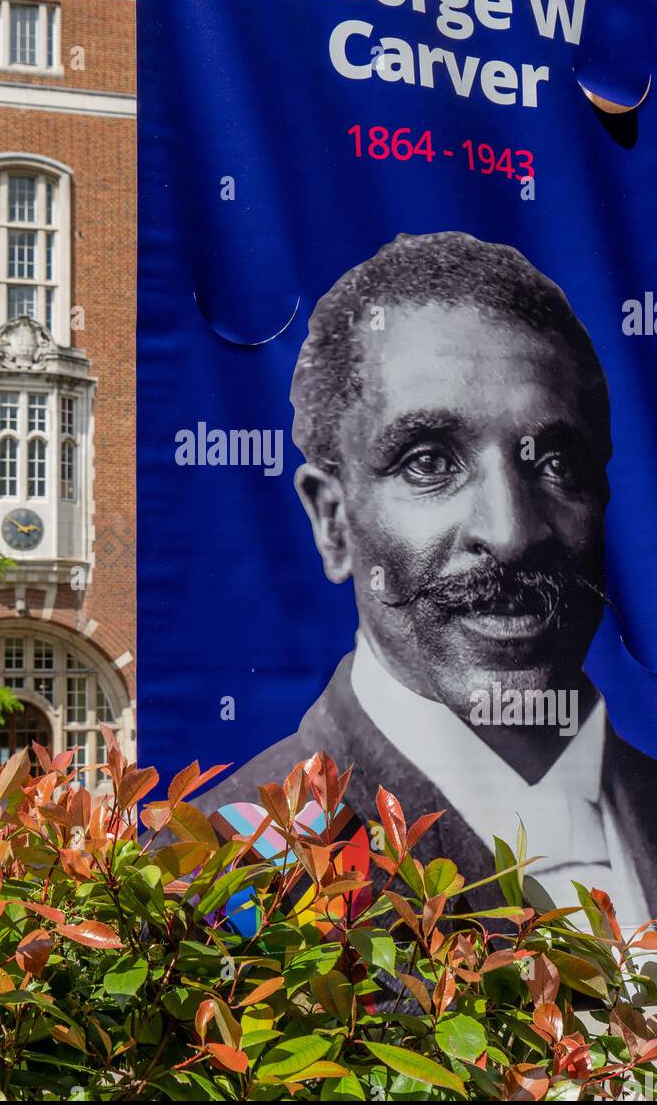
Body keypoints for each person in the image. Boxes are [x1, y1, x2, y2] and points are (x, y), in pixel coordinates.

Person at [194, 230, 657, 926]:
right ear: (332, 521)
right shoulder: (221, 882)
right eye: (429, 462)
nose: (510, 532)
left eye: (556, 463)